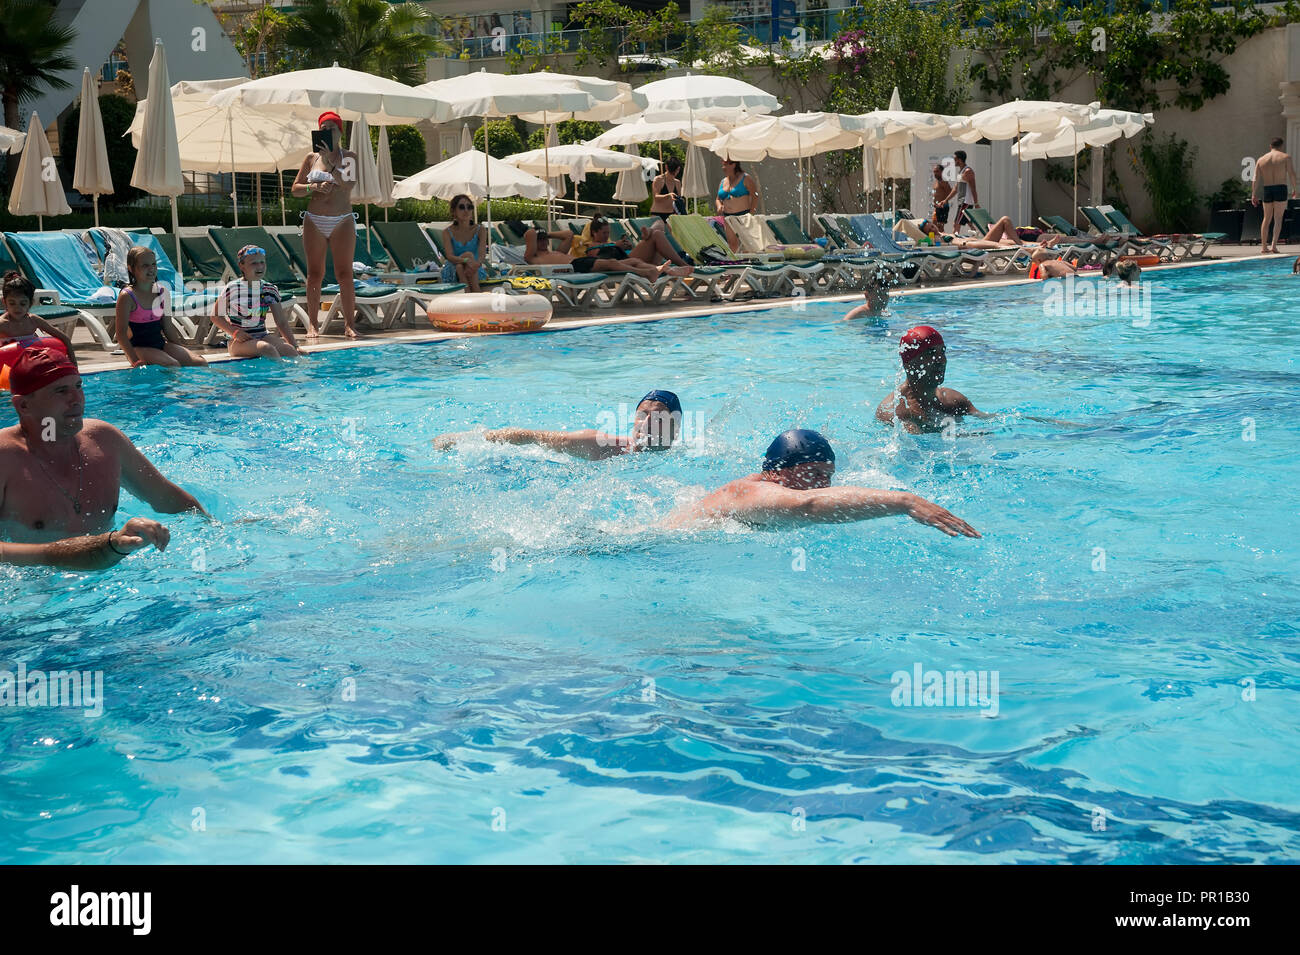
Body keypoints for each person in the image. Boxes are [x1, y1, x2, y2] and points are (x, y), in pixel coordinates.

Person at [0, 347, 207, 569]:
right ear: (23, 405)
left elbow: (168, 498)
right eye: (60, 391)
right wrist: (95, 549)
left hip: (113, 576)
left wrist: (216, 530)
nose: (76, 399)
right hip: (32, 585)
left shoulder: (104, 439)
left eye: (78, 386)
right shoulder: (6, 458)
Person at [662, 428, 979, 536]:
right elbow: (807, 506)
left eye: (828, 478)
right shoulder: (749, 491)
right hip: (640, 549)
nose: (823, 486)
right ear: (782, 471)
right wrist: (907, 502)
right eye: (815, 475)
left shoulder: (759, 485)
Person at [433, 390, 684, 458]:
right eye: (641, 415)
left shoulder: (689, 452)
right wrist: (464, 439)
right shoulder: (601, 446)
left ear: (675, 426)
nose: (646, 423)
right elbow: (528, 436)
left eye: (658, 416)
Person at [292, 112, 359, 340]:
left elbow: (348, 184)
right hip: (315, 218)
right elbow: (295, 188)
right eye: (324, 128)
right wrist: (314, 187)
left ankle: (349, 324)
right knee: (314, 274)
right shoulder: (311, 158)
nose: (328, 132)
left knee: (344, 273)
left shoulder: (349, 157)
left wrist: (331, 160)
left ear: (340, 132)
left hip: (342, 220)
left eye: (332, 128)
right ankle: (312, 324)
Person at [875, 325, 992, 434]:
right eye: (930, 354)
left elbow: (993, 423)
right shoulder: (896, 411)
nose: (941, 360)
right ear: (909, 363)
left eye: (942, 352)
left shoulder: (953, 400)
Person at [113, 247, 207, 369]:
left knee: (201, 363)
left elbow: (168, 328)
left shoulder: (162, 292)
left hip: (160, 344)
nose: (151, 269)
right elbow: (121, 334)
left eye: (153, 264)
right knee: (172, 364)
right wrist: (135, 361)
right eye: (145, 265)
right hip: (138, 348)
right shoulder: (127, 296)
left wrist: (180, 350)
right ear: (131, 269)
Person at [211, 245, 305, 360]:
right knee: (266, 349)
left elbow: (281, 321)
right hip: (237, 341)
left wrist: (295, 346)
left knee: (289, 350)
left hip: (262, 336)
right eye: (254, 263)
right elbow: (215, 316)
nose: (259, 266)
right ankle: (279, 374)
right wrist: (235, 333)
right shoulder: (233, 288)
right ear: (242, 266)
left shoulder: (269, 289)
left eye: (262, 262)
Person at [519, 219, 691, 280]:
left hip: (579, 263)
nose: (542, 242)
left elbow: (568, 234)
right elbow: (531, 233)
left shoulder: (556, 253)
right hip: (576, 266)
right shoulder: (532, 258)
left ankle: (662, 270)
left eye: (544, 240)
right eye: (540, 240)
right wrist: (539, 233)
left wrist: (547, 234)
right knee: (612, 263)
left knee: (633, 260)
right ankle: (649, 273)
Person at [1, 272, 77, 383]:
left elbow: (64, 339)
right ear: (4, 302)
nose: (17, 308)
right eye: (12, 303)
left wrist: (74, 367)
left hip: (30, 368)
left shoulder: (33, 321)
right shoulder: (2, 324)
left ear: (30, 303)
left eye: (22, 304)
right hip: (6, 371)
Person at [1251, 137, 1298, 255]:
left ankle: (1263, 247)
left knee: (1266, 218)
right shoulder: (1285, 157)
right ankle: (1274, 246)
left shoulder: (1261, 159)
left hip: (1267, 188)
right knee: (1278, 218)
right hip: (1280, 188)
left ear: (1270, 146)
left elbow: (1255, 178)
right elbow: (1292, 174)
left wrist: (1253, 194)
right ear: (1281, 146)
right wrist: (1294, 189)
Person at [440, 194, 489, 292]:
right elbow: (449, 256)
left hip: (474, 267)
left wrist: (475, 264)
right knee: (464, 259)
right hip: (453, 269)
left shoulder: (480, 230)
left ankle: (467, 293)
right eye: (461, 207)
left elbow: (481, 255)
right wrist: (466, 261)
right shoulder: (447, 232)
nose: (466, 210)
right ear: (454, 211)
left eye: (469, 207)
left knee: (461, 266)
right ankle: (476, 292)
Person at [715, 158, 761, 253]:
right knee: (732, 245)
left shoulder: (745, 178)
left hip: (743, 216)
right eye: (722, 165)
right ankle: (734, 264)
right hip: (728, 217)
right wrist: (719, 206)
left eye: (725, 165)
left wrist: (751, 213)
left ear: (733, 165)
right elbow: (718, 199)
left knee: (747, 245)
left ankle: (748, 264)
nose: (723, 167)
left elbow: (755, 196)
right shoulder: (723, 181)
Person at [951, 150, 979, 232]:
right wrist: (945, 200)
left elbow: (973, 188)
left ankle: (954, 243)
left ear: (959, 160)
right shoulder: (961, 171)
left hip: (966, 202)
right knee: (969, 223)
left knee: (956, 224)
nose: (954, 161)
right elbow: (955, 189)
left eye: (955, 159)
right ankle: (979, 235)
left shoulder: (968, 171)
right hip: (962, 202)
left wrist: (976, 203)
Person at [650, 158, 684, 222]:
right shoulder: (659, 179)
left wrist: (681, 201)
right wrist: (668, 195)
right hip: (658, 213)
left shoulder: (677, 183)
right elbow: (656, 197)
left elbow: (678, 200)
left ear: (666, 167)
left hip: (671, 214)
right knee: (659, 231)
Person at [931, 163, 956, 230]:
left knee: (940, 227)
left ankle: (941, 240)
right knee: (934, 225)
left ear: (942, 172)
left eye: (937, 171)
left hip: (942, 207)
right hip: (937, 207)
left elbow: (950, 193)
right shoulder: (937, 181)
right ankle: (935, 239)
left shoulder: (943, 181)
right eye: (934, 172)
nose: (935, 173)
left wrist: (943, 202)